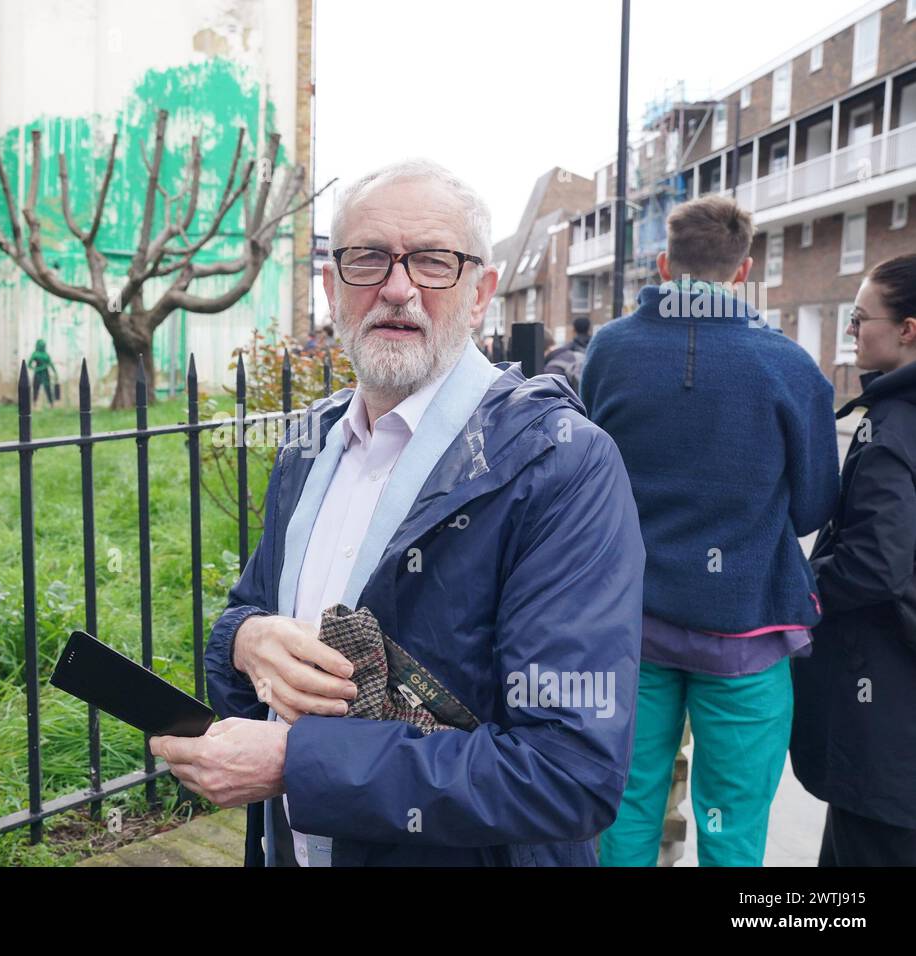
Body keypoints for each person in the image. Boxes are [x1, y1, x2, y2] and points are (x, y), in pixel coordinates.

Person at [150, 158, 646, 867]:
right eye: (368, 259)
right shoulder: (308, 447)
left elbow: (568, 774)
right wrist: (244, 640)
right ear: (331, 287)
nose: (398, 287)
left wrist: (299, 762)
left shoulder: (563, 467)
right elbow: (249, 615)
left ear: (481, 293)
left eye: (434, 262)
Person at [581, 195, 840, 866]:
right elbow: (814, 508)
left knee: (627, 806)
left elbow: (586, 477)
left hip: (631, 625)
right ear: (744, 270)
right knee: (732, 824)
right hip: (746, 629)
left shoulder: (608, 351)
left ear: (664, 264)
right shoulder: (788, 366)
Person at [790, 253, 916, 866]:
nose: (850, 331)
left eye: (861, 318)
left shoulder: (892, 430)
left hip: (885, 708)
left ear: (908, 329)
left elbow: (874, 564)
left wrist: (797, 589)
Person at [28, 338, 57, 407]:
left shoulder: (46, 354)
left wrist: (55, 373)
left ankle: (51, 404)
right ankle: (34, 403)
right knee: (36, 388)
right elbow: (29, 365)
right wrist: (37, 369)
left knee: (48, 388)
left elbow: (51, 364)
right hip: (38, 374)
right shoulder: (35, 354)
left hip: (45, 374)